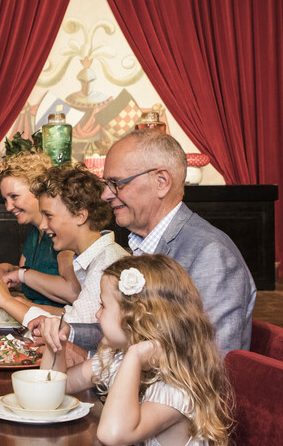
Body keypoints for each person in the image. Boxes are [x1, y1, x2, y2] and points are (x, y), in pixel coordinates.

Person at [40, 254, 233, 446]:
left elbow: (112, 433)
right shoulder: (119, 360)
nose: (97, 314)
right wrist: (55, 346)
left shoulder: (176, 389)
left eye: (104, 306)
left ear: (136, 317)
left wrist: (135, 354)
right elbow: (54, 389)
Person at [98, 129, 255, 354]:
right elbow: (125, 332)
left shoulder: (211, 255)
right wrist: (68, 332)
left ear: (161, 181)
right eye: (106, 183)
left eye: (117, 183)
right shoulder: (143, 242)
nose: (106, 194)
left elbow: (213, 361)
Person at [0, 163, 128, 353]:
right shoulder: (91, 257)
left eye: (49, 216)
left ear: (80, 215)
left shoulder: (107, 262)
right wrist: (21, 303)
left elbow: (72, 330)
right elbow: (71, 314)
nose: (43, 225)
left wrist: (6, 302)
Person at [0, 152, 80, 308]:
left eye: (14, 196)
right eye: (5, 200)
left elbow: (73, 293)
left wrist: (21, 274)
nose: (8, 207)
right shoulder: (35, 231)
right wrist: (8, 270)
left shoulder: (61, 231)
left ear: (38, 191)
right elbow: (35, 286)